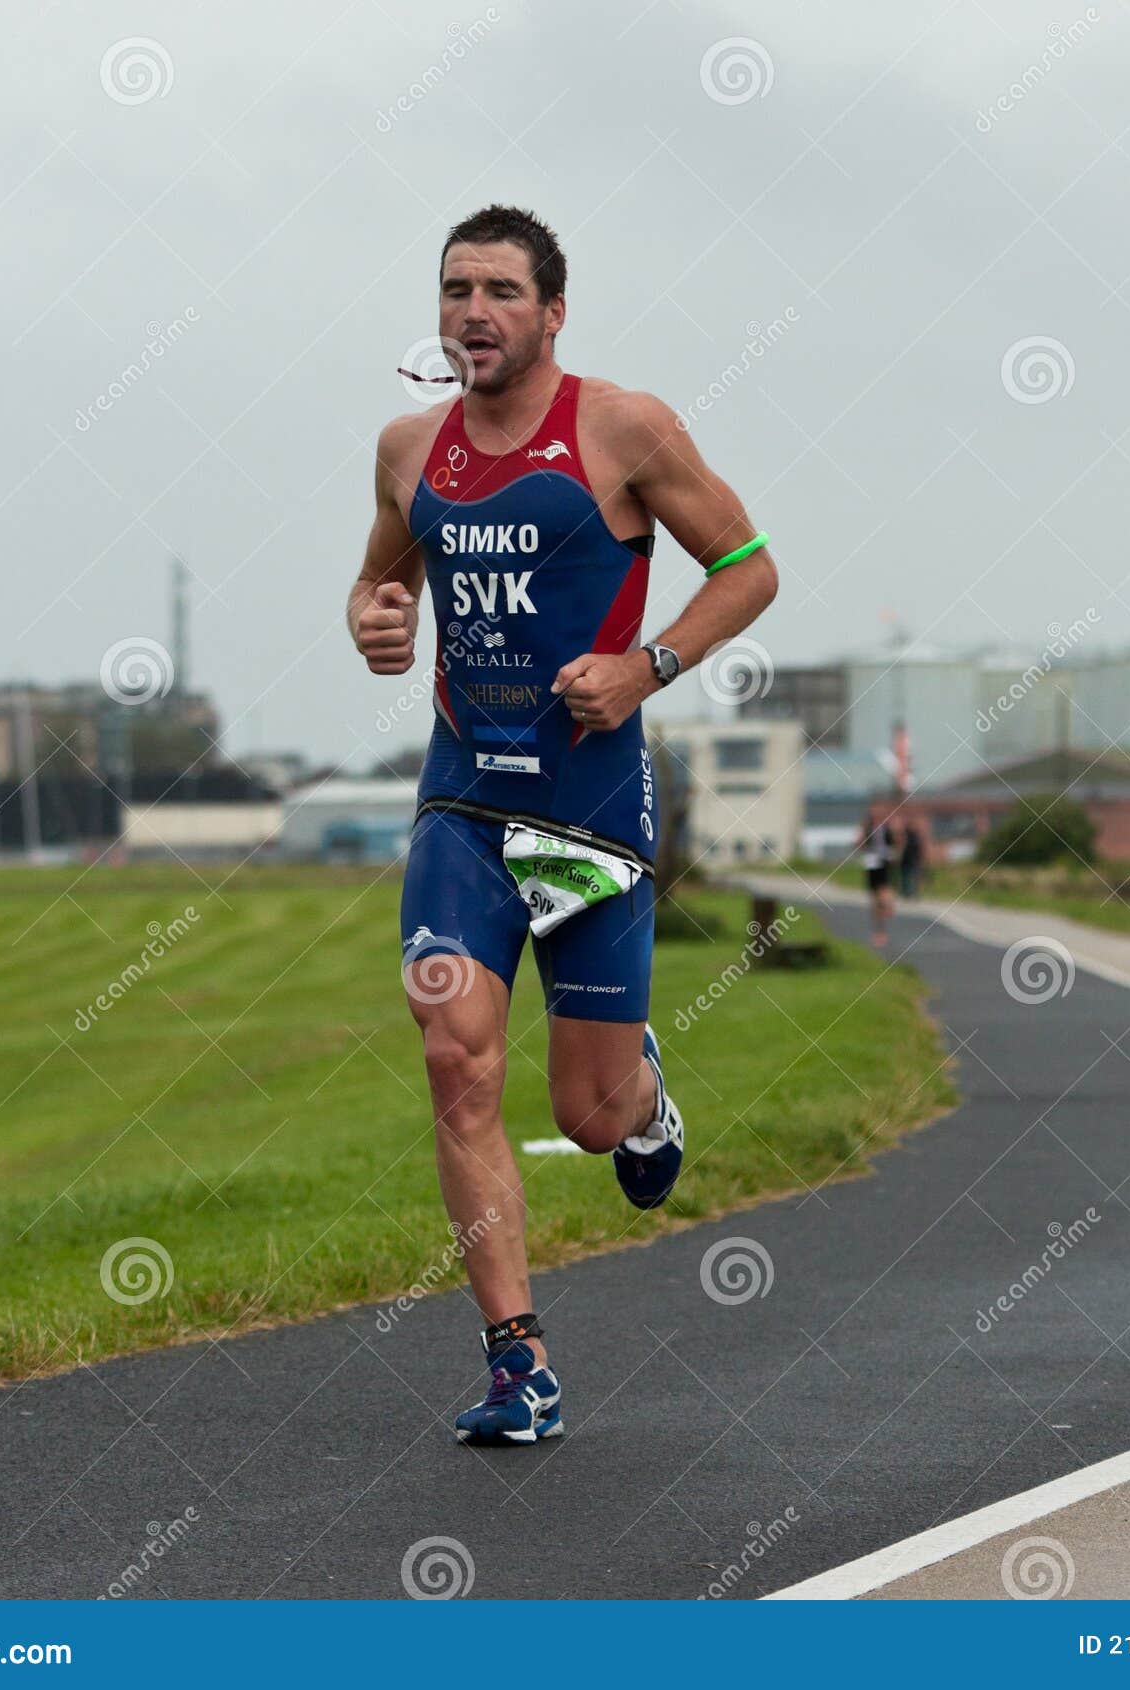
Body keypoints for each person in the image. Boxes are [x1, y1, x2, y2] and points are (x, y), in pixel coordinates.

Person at [347, 205, 778, 1445]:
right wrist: (375, 623)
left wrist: (648, 665)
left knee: (585, 1116)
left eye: (497, 290)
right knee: (452, 1055)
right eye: (452, 290)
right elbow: (384, 584)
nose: (471, 312)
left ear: (550, 312)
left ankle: (645, 1104)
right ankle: (514, 1360)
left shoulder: (622, 428)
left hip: (585, 810)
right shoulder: (406, 447)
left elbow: (747, 565)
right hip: (462, 804)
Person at [860, 808, 897, 948]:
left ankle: (888, 905)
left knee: (884, 893)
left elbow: (896, 844)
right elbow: (861, 845)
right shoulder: (867, 829)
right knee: (875, 902)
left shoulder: (888, 829)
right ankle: (879, 933)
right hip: (871, 866)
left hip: (884, 864)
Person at [898, 820, 925, 900]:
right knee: (907, 877)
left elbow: (919, 850)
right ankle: (907, 893)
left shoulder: (913, 838)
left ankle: (912, 893)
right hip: (907, 860)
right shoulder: (907, 837)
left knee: (912, 877)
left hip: (912, 861)